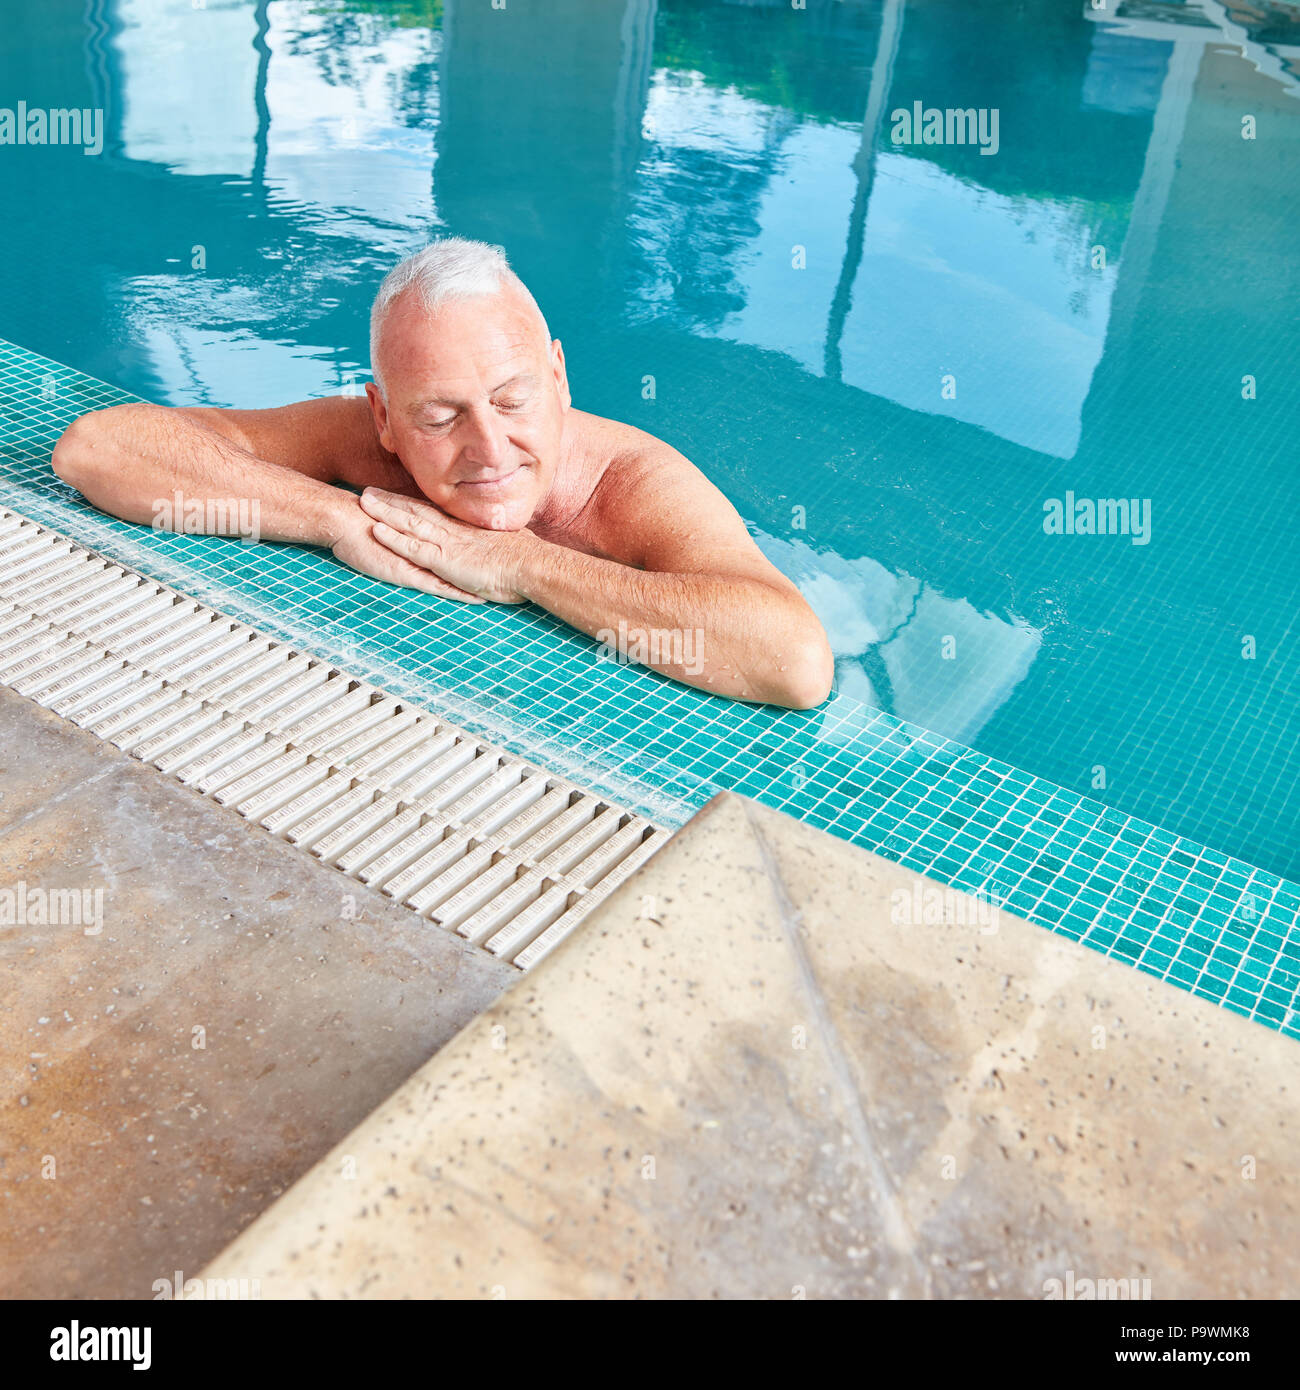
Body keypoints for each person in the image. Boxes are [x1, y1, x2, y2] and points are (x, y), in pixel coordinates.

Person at [52, 238, 833, 708]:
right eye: (439, 417)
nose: (490, 449)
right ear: (385, 418)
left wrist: (521, 564)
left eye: (513, 399)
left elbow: (795, 663)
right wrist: (336, 519)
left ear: (559, 379)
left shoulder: (632, 484)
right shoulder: (364, 444)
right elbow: (98, 449)